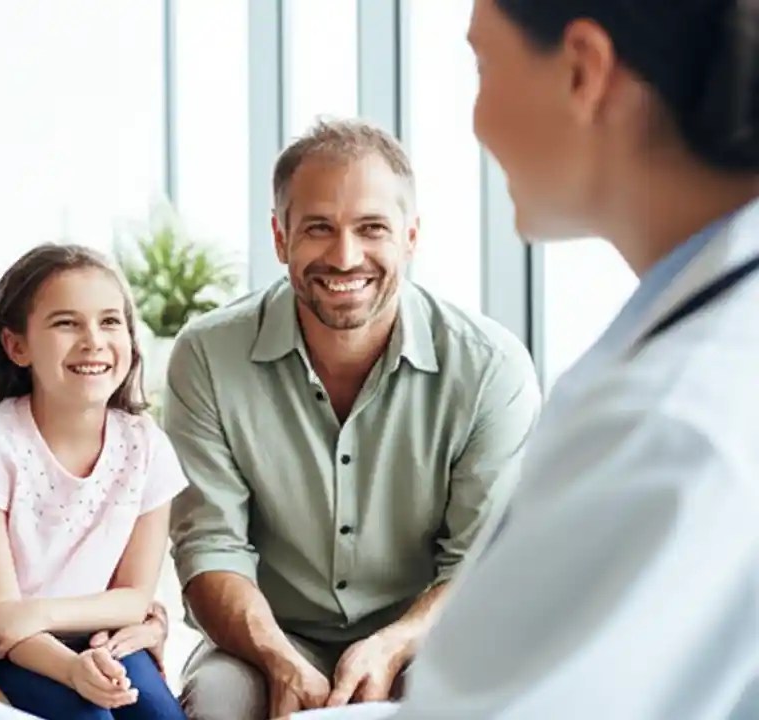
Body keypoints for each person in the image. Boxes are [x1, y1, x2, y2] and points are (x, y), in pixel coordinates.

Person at [295, 1, 759, 718]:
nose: (476, 119)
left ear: (582, 70)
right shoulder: (702, 345)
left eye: (483, 65)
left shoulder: (676, 415)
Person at [165, 118, 541, 720]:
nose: (345, 257)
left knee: (468, 699)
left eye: (372, 229)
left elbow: (479, 561)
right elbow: (212, 547)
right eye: (318, 228)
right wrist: (277, 657)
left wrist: (394, 645)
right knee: (217, 702)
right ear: (280, 236)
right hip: (264, 641)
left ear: (410, 237)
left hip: (427, 637)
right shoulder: (207, 356)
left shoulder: (491, 369)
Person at [0, 243, 188, 720]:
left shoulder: (146, 447)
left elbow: (133, 597)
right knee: (87, 715)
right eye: (66, 323)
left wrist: (48, 617)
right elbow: (0, 616)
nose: (93, 340)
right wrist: (72, 668)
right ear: (17, 346)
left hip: (86, 630)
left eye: (110, 321)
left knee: (160, 715)